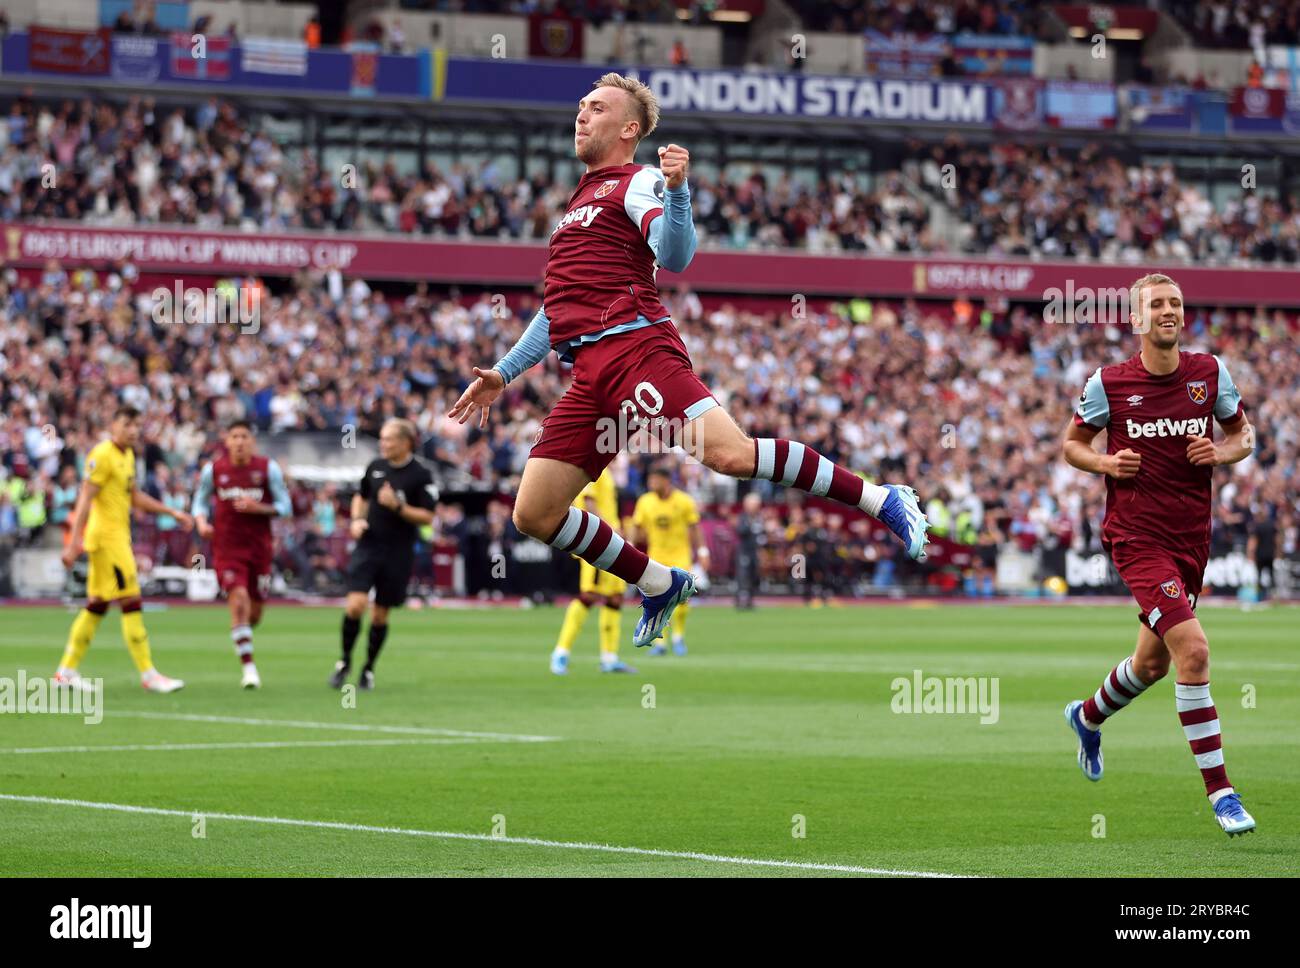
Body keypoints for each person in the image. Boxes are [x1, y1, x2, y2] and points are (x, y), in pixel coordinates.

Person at [448, 73, 929, 650]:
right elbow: (558, 311)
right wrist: (503, 372)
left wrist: (678, 192)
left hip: (635, 349)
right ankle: (658, 582)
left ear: (629, 129)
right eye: (579, 106)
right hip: (591, 374)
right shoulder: (575, 203)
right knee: (534, 513)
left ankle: (883, 498)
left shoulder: (639, 181)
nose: (581, 115)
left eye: (595, 108)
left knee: (729, 455)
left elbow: (675, 256)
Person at [1061, 273, 1257, 837]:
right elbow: (1072, 445)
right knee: (1193, 652)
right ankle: (1222, 793)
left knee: (1152, 663)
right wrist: (1105, 464)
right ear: (1137, 320)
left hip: (1192, 539)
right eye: (1156, 305)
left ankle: (1088, 716)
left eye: (1174, 302)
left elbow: (1246, 437)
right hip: (1136, 538)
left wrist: (1220, 453)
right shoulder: (1109, 383)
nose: (1168, 310)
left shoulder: (1209, 374)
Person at [55, 406, 193, 693]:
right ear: (113, 425)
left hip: (116, 539)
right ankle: (148, 674)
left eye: (137, 424)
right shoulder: (102, 454)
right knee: (131, 602)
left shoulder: (128, 455)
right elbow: (84, 500)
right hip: (108, 541)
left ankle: (66, 671)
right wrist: (72, 543)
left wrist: (171, 511)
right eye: (127, 424)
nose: (133, 430)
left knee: (97, 606)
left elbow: (133, 497)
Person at [330, 419, 437, 691]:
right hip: (369, 545)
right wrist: (356, 520)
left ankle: (368, 668)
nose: (383, 444)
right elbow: (361, 497)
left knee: (380, 615)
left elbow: (427, 517)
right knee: (355, 605)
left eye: (389, 439)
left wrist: (398, 506)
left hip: (398, 551)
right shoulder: (375, 467)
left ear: (405, 442)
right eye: (382, 439)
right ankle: (344, 661)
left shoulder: (421, 475)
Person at [192, 421, 293, 689]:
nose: (238, 441)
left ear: (252, 441)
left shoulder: (267, 468)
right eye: (234, 436)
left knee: (254, 613)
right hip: (226, 548)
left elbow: (285, 506)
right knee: (238, 600)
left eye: (244, 436)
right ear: (226, 441)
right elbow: (200, 501)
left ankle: (241, 632)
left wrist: (257, 508)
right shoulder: (213, 470)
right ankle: (249, 669)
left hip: (259, 549)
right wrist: (201, 523)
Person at [549, 467, 636, 675]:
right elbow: (589, 502)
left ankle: (609, 658)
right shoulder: (593, 470)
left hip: (612, 544)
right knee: (589, 596)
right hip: (596, 542)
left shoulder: (605, 472)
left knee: (615, 598)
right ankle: (561, 652)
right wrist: (607, 531)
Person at [631, 466, 706, 656]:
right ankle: (660, 643)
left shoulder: (684, 501)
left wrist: (703, 551)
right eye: (650, 481)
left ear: (666, 480)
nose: (651, 484)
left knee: (683, 598)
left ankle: (678, 636)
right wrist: (629, 545)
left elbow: (695, 527)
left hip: (680, 554)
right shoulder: (645, 501)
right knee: (656, 599)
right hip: (656, 556)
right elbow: (637, 527)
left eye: (655, 480)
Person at [733, 492, 764, 610]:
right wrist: (750, 525)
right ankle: (740, 600)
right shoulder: (743, 517)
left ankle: (750, 600)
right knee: (743, 575)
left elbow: (761, 534)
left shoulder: (759, 518)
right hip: (744, 551)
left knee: (753, 575)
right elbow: (740, 531)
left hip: (754, 551)